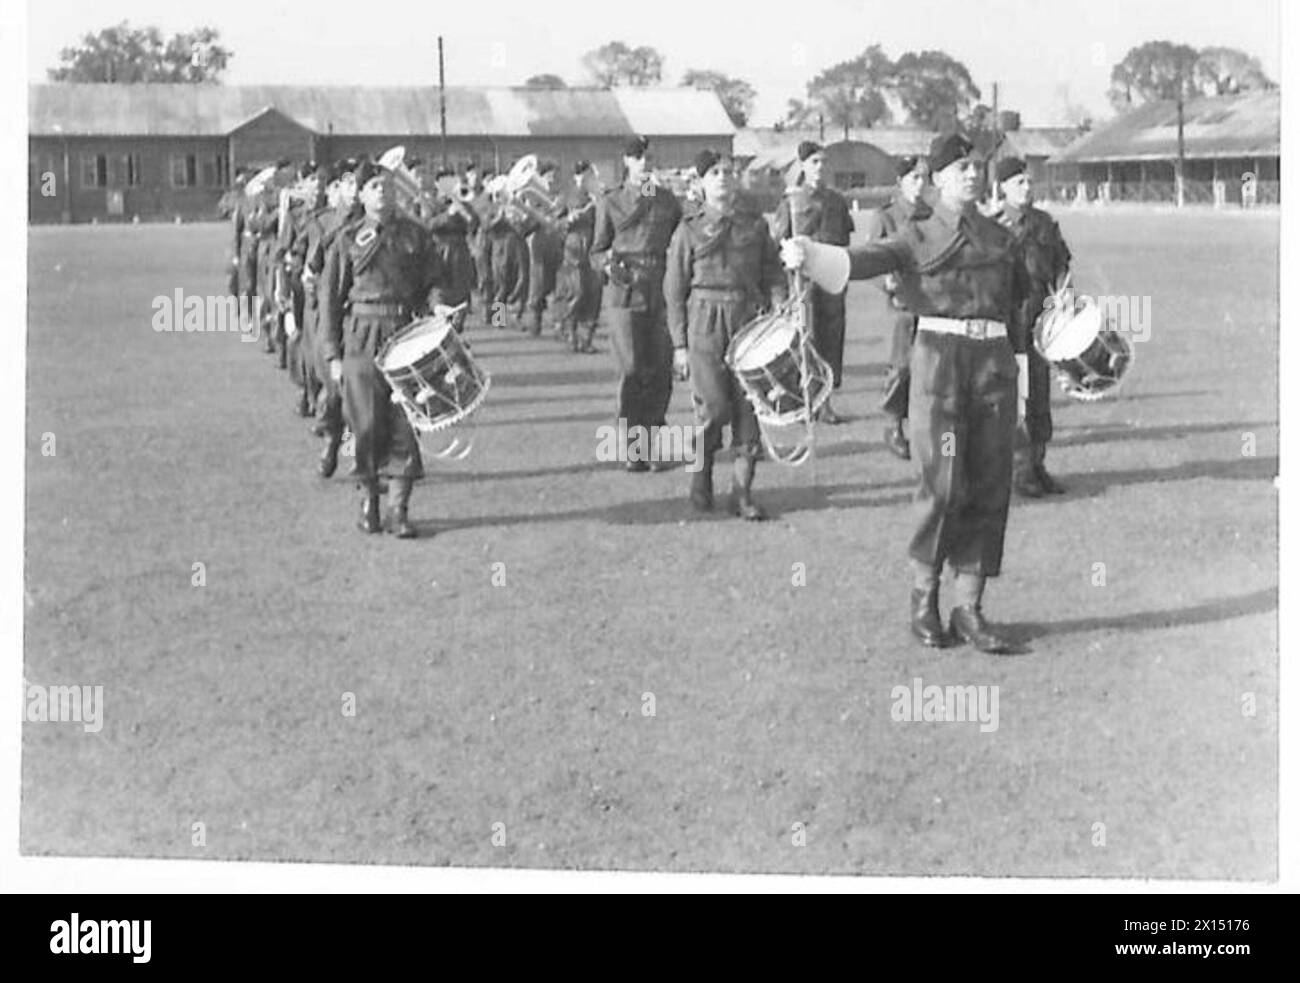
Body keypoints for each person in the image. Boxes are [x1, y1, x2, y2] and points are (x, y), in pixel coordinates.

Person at [783, 133, 1032, 653]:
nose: (970, 174)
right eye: (959, 167)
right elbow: (861, 261)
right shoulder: (916, 237)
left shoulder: (1000, 237)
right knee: (942, 486)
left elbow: (1023, 305)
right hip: (940, 365)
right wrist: (808, 253)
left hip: (994, 369)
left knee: (989, 484)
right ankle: (924, 599)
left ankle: (970, 608)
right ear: (938, 177)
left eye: (973, 166)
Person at [321, 163, 445, 538]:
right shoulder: (346, 240)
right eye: (374, 186)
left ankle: (399, 509)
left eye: (388, 186)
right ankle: (369, 502)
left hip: (404, 336)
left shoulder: (416, 236)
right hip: (361, 335)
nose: (383, 193)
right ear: (361, 194)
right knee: (366, 424)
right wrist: (332, 353)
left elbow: (434, 281)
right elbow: (330, 298)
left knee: (406, 422)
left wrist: (438, 305)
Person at [665, 150, 787, 518]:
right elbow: (674, 290)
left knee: (750, 408)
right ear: (702, 182)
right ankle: (700, 479)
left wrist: (779, 303)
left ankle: (742, 492)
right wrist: (680, 345)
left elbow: (773, 271)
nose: (723, 178)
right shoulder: (688, 229)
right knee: (714, 408)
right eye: (715, 173)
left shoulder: (755, 225)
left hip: (748, 320)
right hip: (705, 321)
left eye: (729, 172)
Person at [590, 136, 682, 472]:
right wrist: (608, 265)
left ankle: (655, 444)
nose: (644, 162)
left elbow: (683, 235)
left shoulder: (668, 201)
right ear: (626, 161)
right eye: (637, 157)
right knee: (632, 371)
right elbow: (596, 251)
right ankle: (632, 447)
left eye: (648, 156)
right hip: (624, 292)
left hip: (660, 286)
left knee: (660, 370)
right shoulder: (610, 201)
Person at [989, 156, 1071, 497]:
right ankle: (1020, 471)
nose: (1026, 187)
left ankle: (1038, 464)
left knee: (1039, 396)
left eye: (1028, 181)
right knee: (1017, 399)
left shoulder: (1045, 224)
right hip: (1009, 324)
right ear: (1003, 187)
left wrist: (1064, 295)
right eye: (1019, 182)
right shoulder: (992, 227)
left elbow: (1062, 266)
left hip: (1040, 322)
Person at [772, 141, 854, 424]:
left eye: (823, 161)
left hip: (830, 280)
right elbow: (778, 245)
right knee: (806, 342)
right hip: (803, 284)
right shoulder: (792, 202)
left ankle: (826, 402)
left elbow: (845, 242)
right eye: (814, 162)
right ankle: (803, 401)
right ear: (804, 166)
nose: (820, 167)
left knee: (831, 342)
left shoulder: (837, 201)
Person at [862, 155, 931, 459]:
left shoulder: (933, 215)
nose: (920, 184)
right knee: (901, 368)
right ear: (900, 182)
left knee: (931, 370)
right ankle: (892, 425)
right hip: (901, 306)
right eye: (914, 178)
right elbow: (869, 259)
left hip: (931, 302)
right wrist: (885, 282)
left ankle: (929, 432)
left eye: (924, 178)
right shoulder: (886, 217)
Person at [553, 160, 602, 353]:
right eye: (581, 174)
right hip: (574, 249)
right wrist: (568, 220)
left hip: (594, 248)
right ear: (576, 176)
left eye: (587, 174)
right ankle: (569, 332)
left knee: (594, 296)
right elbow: (555, 223)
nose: (584, 178)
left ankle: (586, 339)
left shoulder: (600, 196)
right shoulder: (567, 195)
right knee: (577, 292)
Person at [524, 160, 563, 337]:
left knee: (557, 285)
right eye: (550, 173)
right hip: (534, 241)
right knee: (500, 288)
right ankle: (497, 319)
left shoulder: (557, 192)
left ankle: (558, 323)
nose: (553, 176)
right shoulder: (533, 194)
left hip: (553, 241)